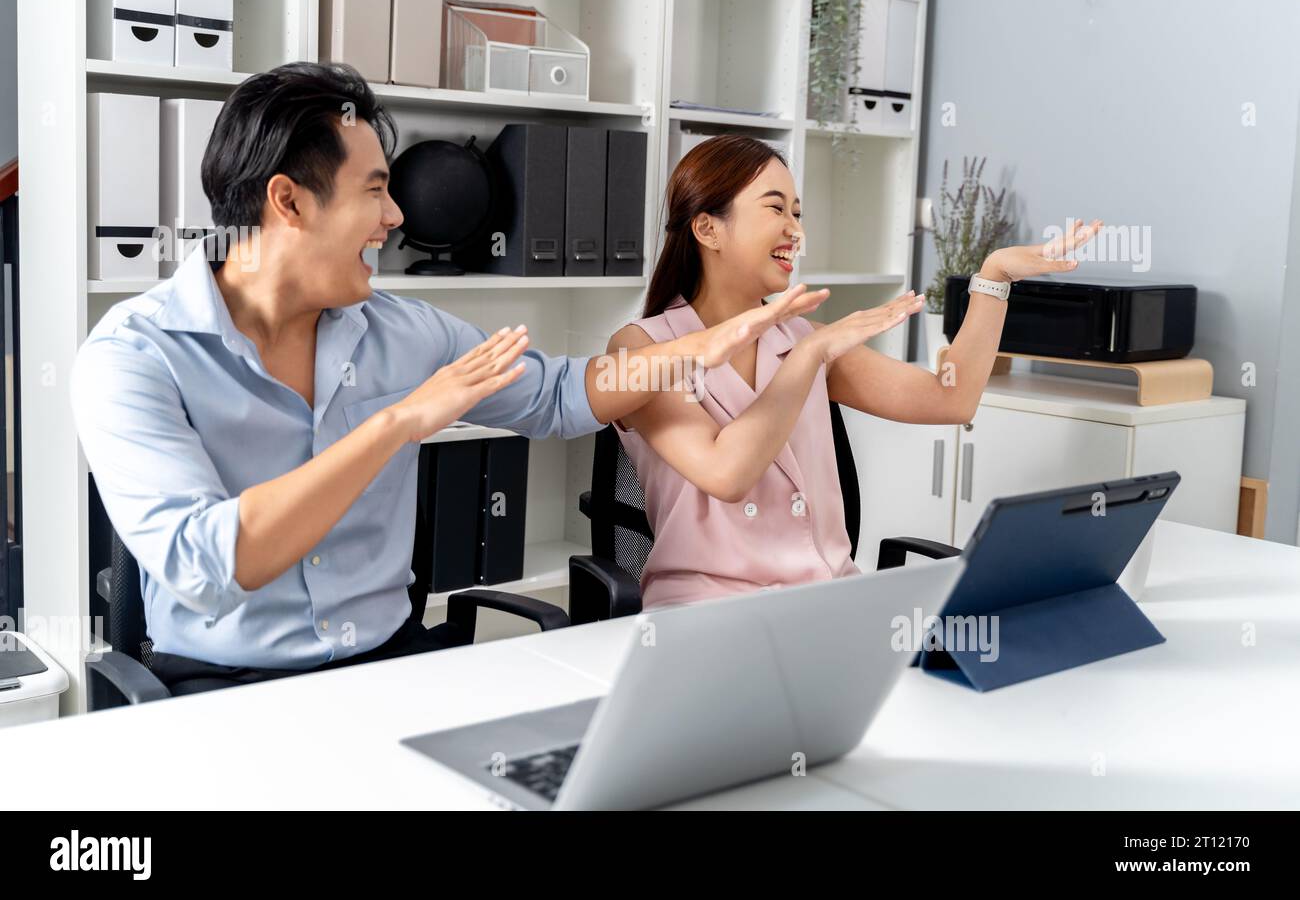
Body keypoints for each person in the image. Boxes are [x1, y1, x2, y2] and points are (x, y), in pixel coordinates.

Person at [70, 64, 822, 694]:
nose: (396, 215)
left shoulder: (406, 330)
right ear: (288, 201)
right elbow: (208, 567)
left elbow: (563, 394)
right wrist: (400, 422)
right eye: (374, 190)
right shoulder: (134, 357)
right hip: (220, 686)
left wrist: (704, 342)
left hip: (389, 666)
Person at [608, 134, 1101, 608]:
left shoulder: (805, 339)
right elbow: (726, 473)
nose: (795, 230)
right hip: (707, 612)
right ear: (708, 228)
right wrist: (810, 357)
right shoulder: (644, 348)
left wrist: (994, 278)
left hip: (829, 601)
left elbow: (951, 399)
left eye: (798, 214)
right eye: (776, 209)